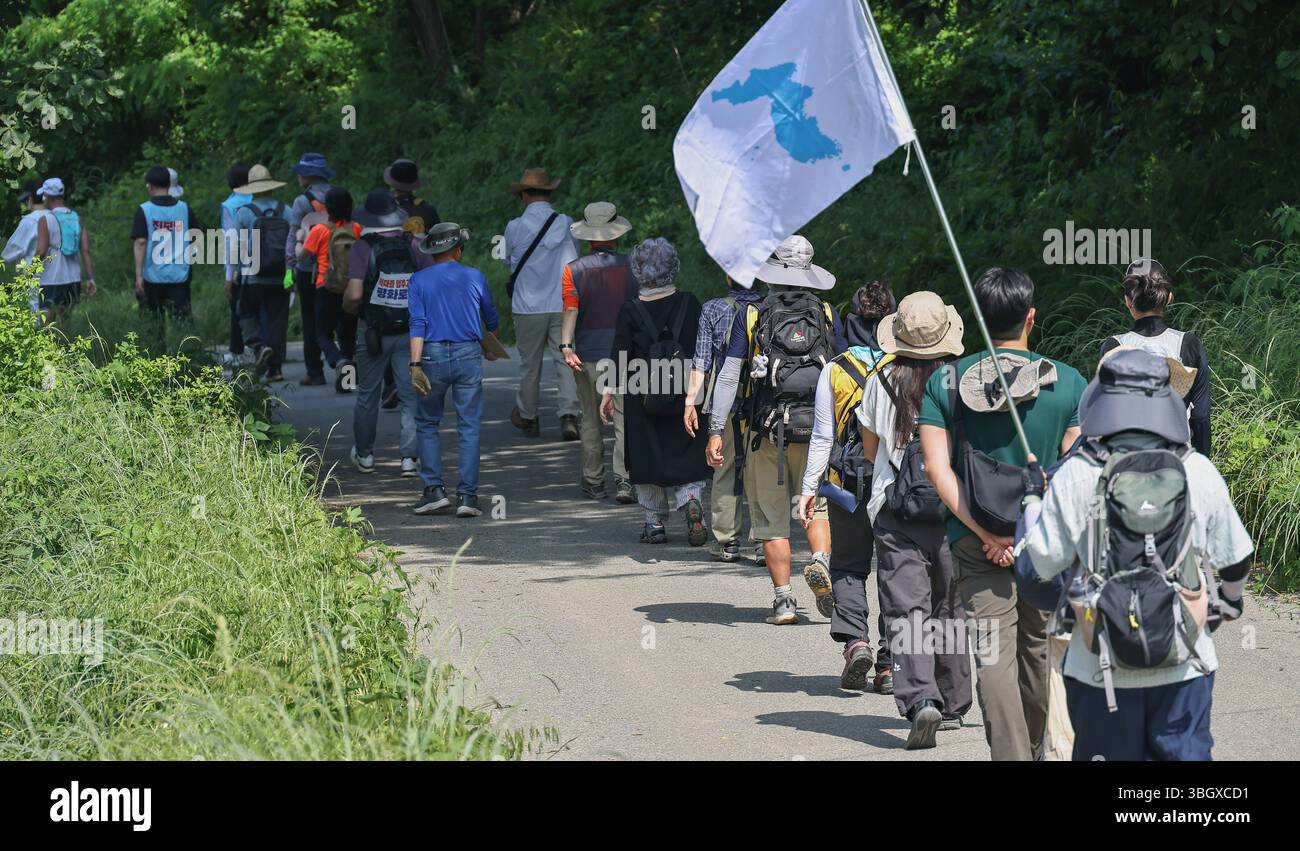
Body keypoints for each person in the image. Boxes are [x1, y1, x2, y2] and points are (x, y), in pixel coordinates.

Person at [1022, 348, 1252, 760]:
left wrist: (1031, 506)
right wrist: (1227, 604)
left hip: (1097, 670)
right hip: (1186, 663)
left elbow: (1039, 568)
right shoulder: (1196, 469)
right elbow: (1236, 559)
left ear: (1102, 402)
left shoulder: (1078, 473)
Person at [918, 267, 1086, 761]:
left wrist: (988, 532)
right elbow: (1071, 468)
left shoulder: (946, 381)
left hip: (976, 543)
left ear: (976, 319)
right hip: (1044, 543)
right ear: (1030, 317)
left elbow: (936, 467)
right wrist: (1025, 530)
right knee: (1036, 652)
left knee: (992, 655)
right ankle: (1032, 750)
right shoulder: (1069, 382)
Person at [852, 290, 973, 748]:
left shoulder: (879, 381)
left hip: (896, 510)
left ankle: (921, 700)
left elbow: (868, 452)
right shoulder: (963, 381)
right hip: (954, 509)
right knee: (950, 604)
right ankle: (955, 700)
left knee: (907, 610)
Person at [706, 235, 847, 625]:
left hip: (765, 429)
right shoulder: (828, 313)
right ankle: (819, 560)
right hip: (817, 428)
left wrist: (717, 429)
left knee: (770, 517)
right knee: (815, 504)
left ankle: (783, 601)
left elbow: (730, 375)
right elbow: (842, 373)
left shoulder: (752, 315)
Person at [795, 283, 898, 694]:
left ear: (851, 320)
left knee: (849, 566)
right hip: (894, 485)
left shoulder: (835, 368)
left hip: (846, 485)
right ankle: (891, 665)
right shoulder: (904, 364)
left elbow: (822, 436)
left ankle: (856, 641)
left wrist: (808, 489)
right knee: (896, 573)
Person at [602, 238, 709, 545]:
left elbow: (619, 353)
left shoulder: (630, 311)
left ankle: (654, 524)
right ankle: (690, 500)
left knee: (646, 455)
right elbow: (702, 349)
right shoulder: (691, 303)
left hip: (643, 392)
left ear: (638, 271)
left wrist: (608, 392)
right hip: (685, 390)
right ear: (673, 267)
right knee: (686, 449)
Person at [407, 223, 501, 518]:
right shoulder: (475, 276)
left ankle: (434, 490)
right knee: (469, 425)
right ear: (458, 250)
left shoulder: (418, 280)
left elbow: (417, 324)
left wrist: (415, 364)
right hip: (468, 354)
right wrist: (490, 344)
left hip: (431, 355)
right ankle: (467, 496)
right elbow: (491, 317)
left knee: (427, 422)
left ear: (432, 252)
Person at [344, 189, 430, 479]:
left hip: (373, 332)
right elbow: (430, 285)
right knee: (410, 396)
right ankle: (409, 459)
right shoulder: (414, 245)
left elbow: (355, 295)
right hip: (410, 331)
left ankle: (366, 455)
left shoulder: (361, 247)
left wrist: (350, 309)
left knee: (368, 394)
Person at [684, 274, 766, 563]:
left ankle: (726, 541)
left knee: (724, 466)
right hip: (763, 404)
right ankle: (762, 542)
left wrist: (690, 401)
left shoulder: (713, 309)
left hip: (726, 403)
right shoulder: (770, 308)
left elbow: (702, 362)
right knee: (760, 472)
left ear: (730, 277)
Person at [560, 201, 637, 502]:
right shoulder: (633, 267)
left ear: (589, 236)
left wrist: (567, 347)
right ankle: (625, 480)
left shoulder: (573, 270)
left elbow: (570, 310)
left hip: (588, 354)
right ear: (615, 233)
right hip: (624, 356)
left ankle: (593, 481)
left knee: (590, 419)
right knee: (623, 419)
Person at [1099, 259, 1211, 456]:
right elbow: (1200, 416)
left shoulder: (1114, 347)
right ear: (1169, 297)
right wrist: (1202, 462)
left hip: (1128, 459)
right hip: (1179, 458)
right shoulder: (1189, 344)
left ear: (1128, 301)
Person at [504, 167, 581, 441]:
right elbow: (575, 260)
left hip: (527, 307)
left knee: (529, 365)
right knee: (565, 360)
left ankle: (528, 417)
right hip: (562, 303)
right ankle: (569, 416)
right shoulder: (565, 222)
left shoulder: (514, 227)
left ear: (524, 195)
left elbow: (506, 261)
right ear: (549, 194)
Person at [382, 158, 442, 410]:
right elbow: (440, 243)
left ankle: (391, 382)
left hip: (389, 278)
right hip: (422, 276)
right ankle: (418, 374)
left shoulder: (384, 209)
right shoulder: (427, 210)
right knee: (419, 328)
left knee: (389, 328)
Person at [233, 164, 292, 381]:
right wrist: (290, 274)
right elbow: (293, 245)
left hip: (253, 276)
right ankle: (275, 369)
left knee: (246, 313)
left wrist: (236, 274)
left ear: (252, 189)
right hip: (279, 275)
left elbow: (238, 248)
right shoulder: (287, 211)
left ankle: (259, 347)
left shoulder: (244, 213)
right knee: (278, 320)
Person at [300, 186, 361, 392]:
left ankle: (337, 361)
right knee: (347, 335)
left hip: (326, 286)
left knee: (322, 333)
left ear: (328, 208)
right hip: (351, 287)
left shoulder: (320, 230)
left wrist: (300, 241)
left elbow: (302, 256)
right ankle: (347, 381)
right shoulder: (356, 229)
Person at [286, 152, 336, 387]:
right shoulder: (338, 196)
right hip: (338, 267)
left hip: (309, 268)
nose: (298, 176)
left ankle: (315, 372)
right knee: (337, 318)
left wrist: (290, 268)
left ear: (309, 176)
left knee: (310, 319)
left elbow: (294, 234)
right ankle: (346, 363)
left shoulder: (302, 201)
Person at [132, 164, 198, 333]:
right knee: (183, 324)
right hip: (180, 276)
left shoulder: (144, 210)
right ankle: (187, 355)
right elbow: (195, 238)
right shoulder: (184, 208)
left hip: (152, 277)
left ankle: (156, 356)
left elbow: (140, 242)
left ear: (150, 186)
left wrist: (139, 275)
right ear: (170, 185)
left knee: (154, 325)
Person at [32, 178, 96, 324]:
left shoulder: (45, 219)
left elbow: (41, 251)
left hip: (51, 279)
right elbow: (85, 250)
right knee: (64, 324)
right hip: (73, 279)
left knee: (48, 326)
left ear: (46, 196)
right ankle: (65, 347)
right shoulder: (76, 217)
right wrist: (91, 278)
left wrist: (29, 274)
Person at [220, 163, 252, 362]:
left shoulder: (229, 206)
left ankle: (236, 350)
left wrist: (229, 276)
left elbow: (230, 239)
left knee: (236, 307)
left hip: (239, 265)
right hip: (264, 260)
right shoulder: (259, 199)